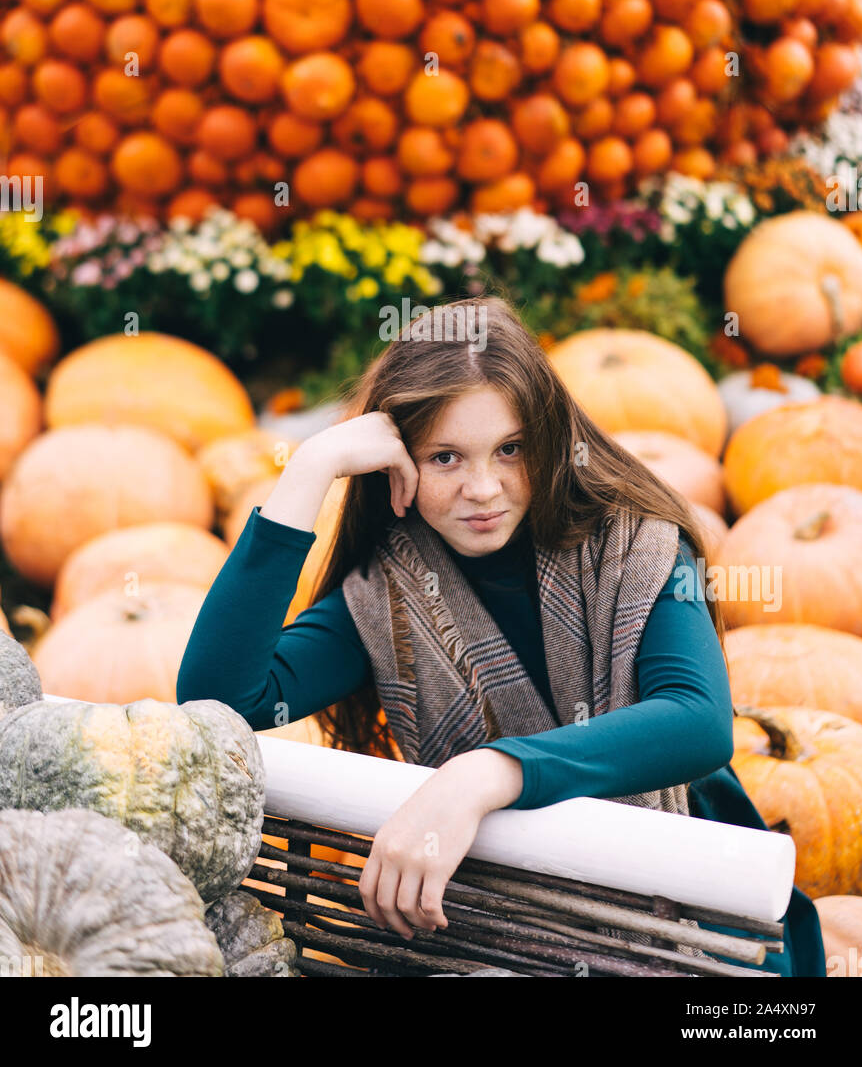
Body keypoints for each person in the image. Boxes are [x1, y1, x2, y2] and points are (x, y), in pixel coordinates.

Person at [177, 295, 824, 976]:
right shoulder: (394, 595)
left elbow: (697, 723)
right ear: (398, 462)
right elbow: (218, 697)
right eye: (447, 458)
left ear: (547, 441)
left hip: (688, 890)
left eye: (510, 450)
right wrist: (309, 469)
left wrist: (484, 775)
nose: (483, 488)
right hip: (495, 912)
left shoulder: (634, 545)